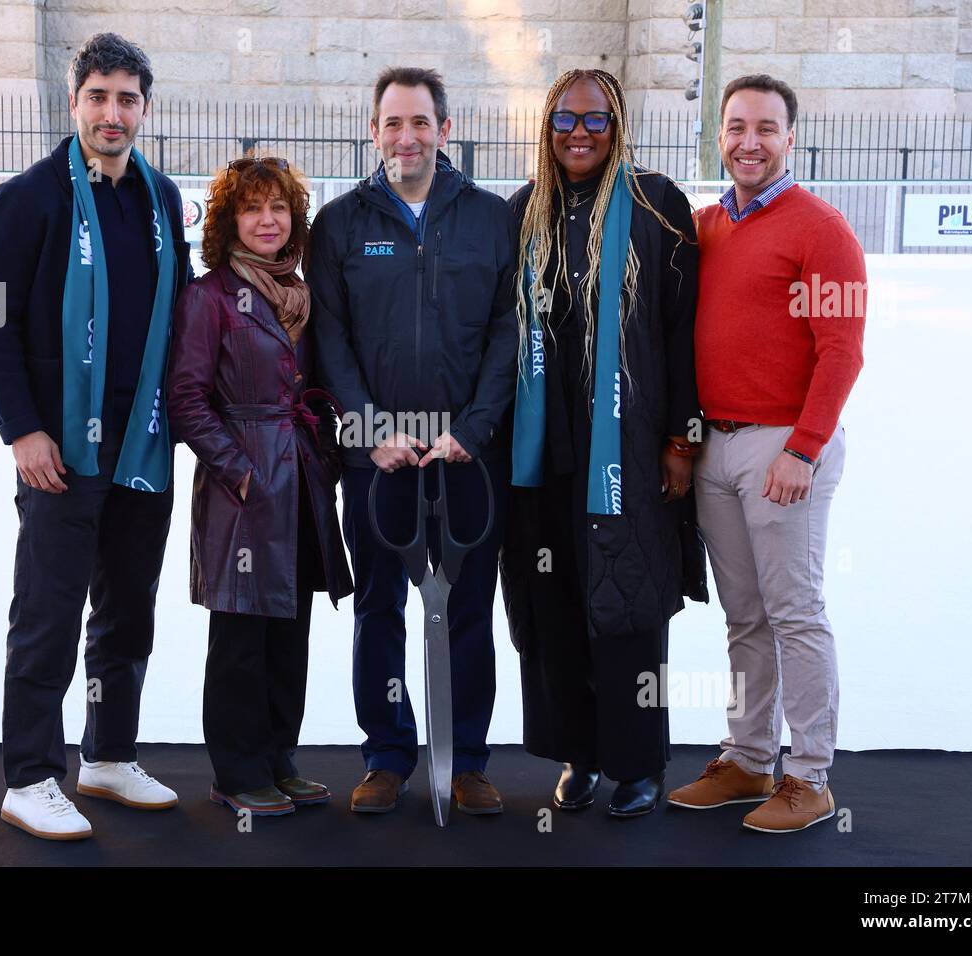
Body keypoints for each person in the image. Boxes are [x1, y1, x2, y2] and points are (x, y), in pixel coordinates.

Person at [0, 33, 193, 841]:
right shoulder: (28, 198)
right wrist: (22, 431)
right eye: (98, 96)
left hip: (143, 446)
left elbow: (183, 318)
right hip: (60, 451)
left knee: (128, 610)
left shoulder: (164, 200)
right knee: (49, 613)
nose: (112, 111)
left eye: (127, 98)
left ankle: (107, 755)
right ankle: (29, 776)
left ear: (144, 108)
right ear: (74, 103)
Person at [307, 67, 518, 815]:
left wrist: (474, 429)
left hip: (468, 457)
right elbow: (329, 339)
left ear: (444, 131)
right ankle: (388, 756)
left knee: (467, 610)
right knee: (379, 609)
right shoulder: (339, 224)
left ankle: (464, 762)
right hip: (379, 457)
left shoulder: (493, 220)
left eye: (421, 122)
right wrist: (370, 432)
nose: (407, 136)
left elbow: (507, 334)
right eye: (393, 123)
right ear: (374, 132)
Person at [498, 69, 707, 819]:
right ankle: (579, 755)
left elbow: (686, 330)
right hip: (543, 451)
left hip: (628, 442)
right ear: (545, 127)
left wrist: (684, 437)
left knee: (627, 605)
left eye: (595, 120)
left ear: (617, 125)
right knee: (552, 604)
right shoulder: (524, 212)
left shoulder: (656, 204)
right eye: (563, 120)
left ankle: (638, 761)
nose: (579, 134)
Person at [666, 74, 866, 833]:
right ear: (720, 135)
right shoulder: (707, 225)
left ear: (791, 138)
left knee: (796, 614)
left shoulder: (823, 228)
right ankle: (750, 759)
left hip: (784, 446)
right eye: (736, 126)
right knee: (745, 618)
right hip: (717, 445)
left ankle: (810, 776)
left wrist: (804, 450)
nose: (750, 141)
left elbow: (842, 351)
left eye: (766, 128)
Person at [166, 156, 354, 816]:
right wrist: (239, 470)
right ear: (229, 222)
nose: (267, 219)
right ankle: (238, 773)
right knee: (241, 637)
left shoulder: (302, 293)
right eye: (252, 208)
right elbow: (186, 398)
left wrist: (325, 458)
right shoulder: (209, 296)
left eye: (278, 208)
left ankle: (279, 758)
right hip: (241, 488)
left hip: (301, 480)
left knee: (290, 629)